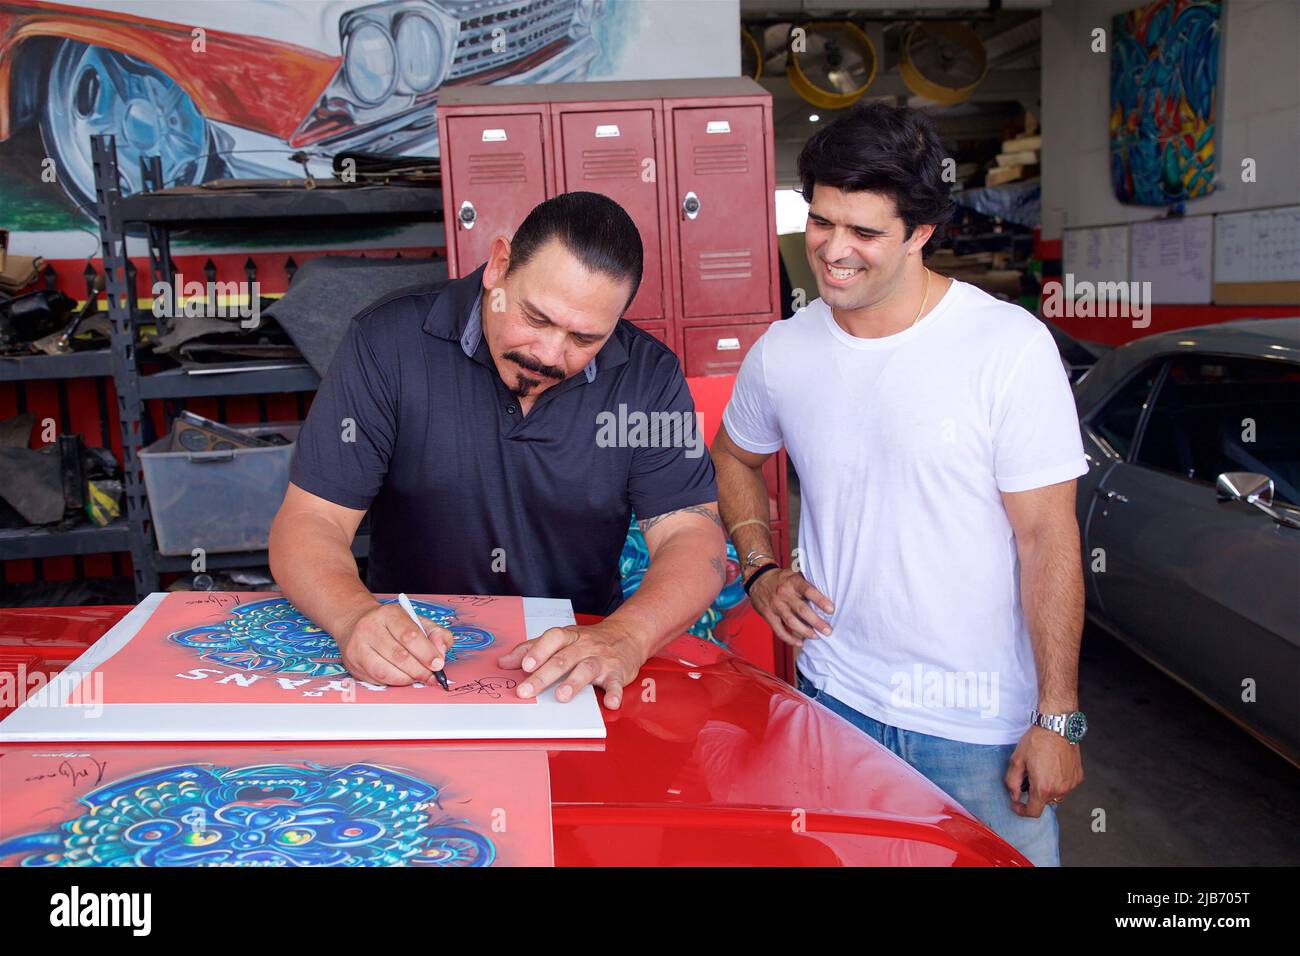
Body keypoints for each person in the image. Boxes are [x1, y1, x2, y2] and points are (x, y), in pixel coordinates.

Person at [710, 104, 1088, 866]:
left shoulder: (1007, 348)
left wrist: (1058, 718)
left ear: (921, 233)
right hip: (834, 705)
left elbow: (1046, 537)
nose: (832, 251)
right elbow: (733, 458)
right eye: (821, 221)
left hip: (976, 729)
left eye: (864, 233)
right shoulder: (785, 351)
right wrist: (758, 569)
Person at [269, 191, 726, 709]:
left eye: (584, 338)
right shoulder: (388, 344)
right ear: (499, 264)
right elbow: (312, 520)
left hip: (576, 668)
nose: (550, 356)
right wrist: (353, 616)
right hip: (412, 660)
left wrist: (630, 635)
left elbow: (693, 534)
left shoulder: (648, 377)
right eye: (535, 319)